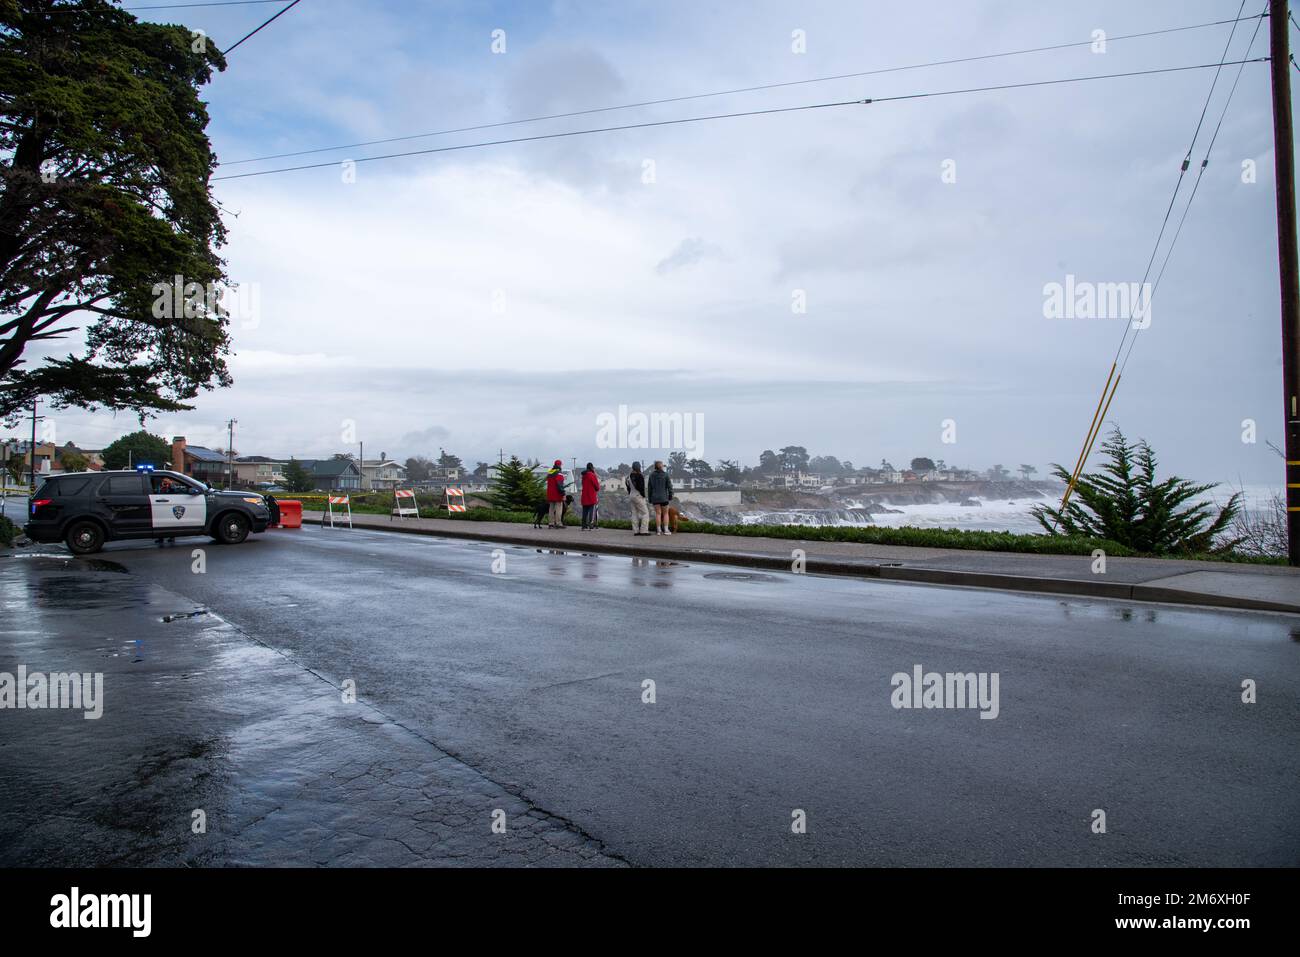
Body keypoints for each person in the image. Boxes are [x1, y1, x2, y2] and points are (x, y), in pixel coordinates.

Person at [647, 460, 674, 535]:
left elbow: (649, 488)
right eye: (662, 465)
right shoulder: (666, 475)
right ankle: (666, 530)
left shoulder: (651, 475)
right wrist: (671, 495)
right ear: (661, 467)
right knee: (665, 513)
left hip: (655, 498)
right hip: (664, 498)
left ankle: (658, 530)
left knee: (658, 514)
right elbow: (669, 487)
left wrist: (650, 498)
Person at [625, 461, 650, 535]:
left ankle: (636, 531)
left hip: (631, 495)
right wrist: (643, 496)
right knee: (645, 513)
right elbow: (641, 488)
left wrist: (630, 493)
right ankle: (644, 531)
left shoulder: (628, 476)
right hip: (638, 495)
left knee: (634, 513)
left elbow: (628, 487)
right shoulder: (639, 476)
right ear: (639, 467)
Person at [545, 459, 568, 528]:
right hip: (557, 494)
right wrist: (563, 493)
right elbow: (560, 485)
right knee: (558, 508)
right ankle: (558, 523)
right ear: (559, 465)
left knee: (551, 508)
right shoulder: (559, 473)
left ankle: (550, 523)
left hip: (550, 493)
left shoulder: (550, 472)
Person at [580, 463, 601, 529]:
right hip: (591, 496)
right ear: (592, 468)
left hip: (584, 495)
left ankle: (584, 525)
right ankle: (591, 524)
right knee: (592, 511)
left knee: (585, 511)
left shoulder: (583, 476)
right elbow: (597, 487)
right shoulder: (592, 475)